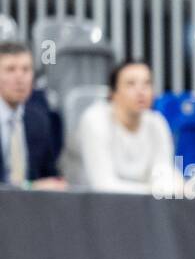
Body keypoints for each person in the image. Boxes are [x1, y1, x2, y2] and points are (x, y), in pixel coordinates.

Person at [61, 59, 178, 195]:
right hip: (83, 208)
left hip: (142, 208)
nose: (141, 91)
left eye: (147, 83)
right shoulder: (94, 120)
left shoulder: (157, 123)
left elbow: (163, 178)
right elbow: (104, 187)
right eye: (131, 84)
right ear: (113, 93)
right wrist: (154, 191)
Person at [0, 41, 66, 190]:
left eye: (26, 69)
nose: (20, 78)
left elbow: (50, 176)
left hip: (30, 209)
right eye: (10, 70)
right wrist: (30, 186)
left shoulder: (38, 120)